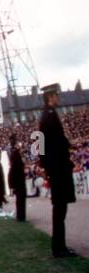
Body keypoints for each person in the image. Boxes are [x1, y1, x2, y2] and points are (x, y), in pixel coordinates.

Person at [37, 83, 76, 257]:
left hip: (56, 167)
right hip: (58, 167)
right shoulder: (49, 116)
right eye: (56, 95)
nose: (58, 98)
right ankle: (59, 248)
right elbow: (45, 143)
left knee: (60, 208)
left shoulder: (48, 115)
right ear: (50, 96)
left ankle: (59, 246)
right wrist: (47, 166)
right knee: (60, 208)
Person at [7, 134, 27, 223]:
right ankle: (21, 217)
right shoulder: (14, 152)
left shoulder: (14, 152)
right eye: (14, 139)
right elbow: (15, 167)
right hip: (19, 179)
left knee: (20, 199)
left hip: (18, 179)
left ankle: (20, 216)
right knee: (21, 199)